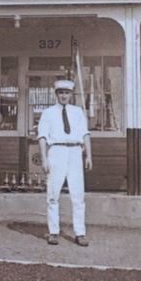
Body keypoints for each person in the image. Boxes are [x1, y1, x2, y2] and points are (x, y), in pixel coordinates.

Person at [37, 77, 92, 246]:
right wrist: (45, 159)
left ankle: (80, 233)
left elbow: (85, 134)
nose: (64, 96)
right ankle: (53, 232)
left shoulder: (77, 112)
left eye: (67, 93)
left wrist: (89, 155)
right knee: (53, 194)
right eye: (61, 93)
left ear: (71, 94)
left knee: (78, 195)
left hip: (75, 152)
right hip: (57, 152)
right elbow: (42, 137)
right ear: (56, 94)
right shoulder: (48, 113)